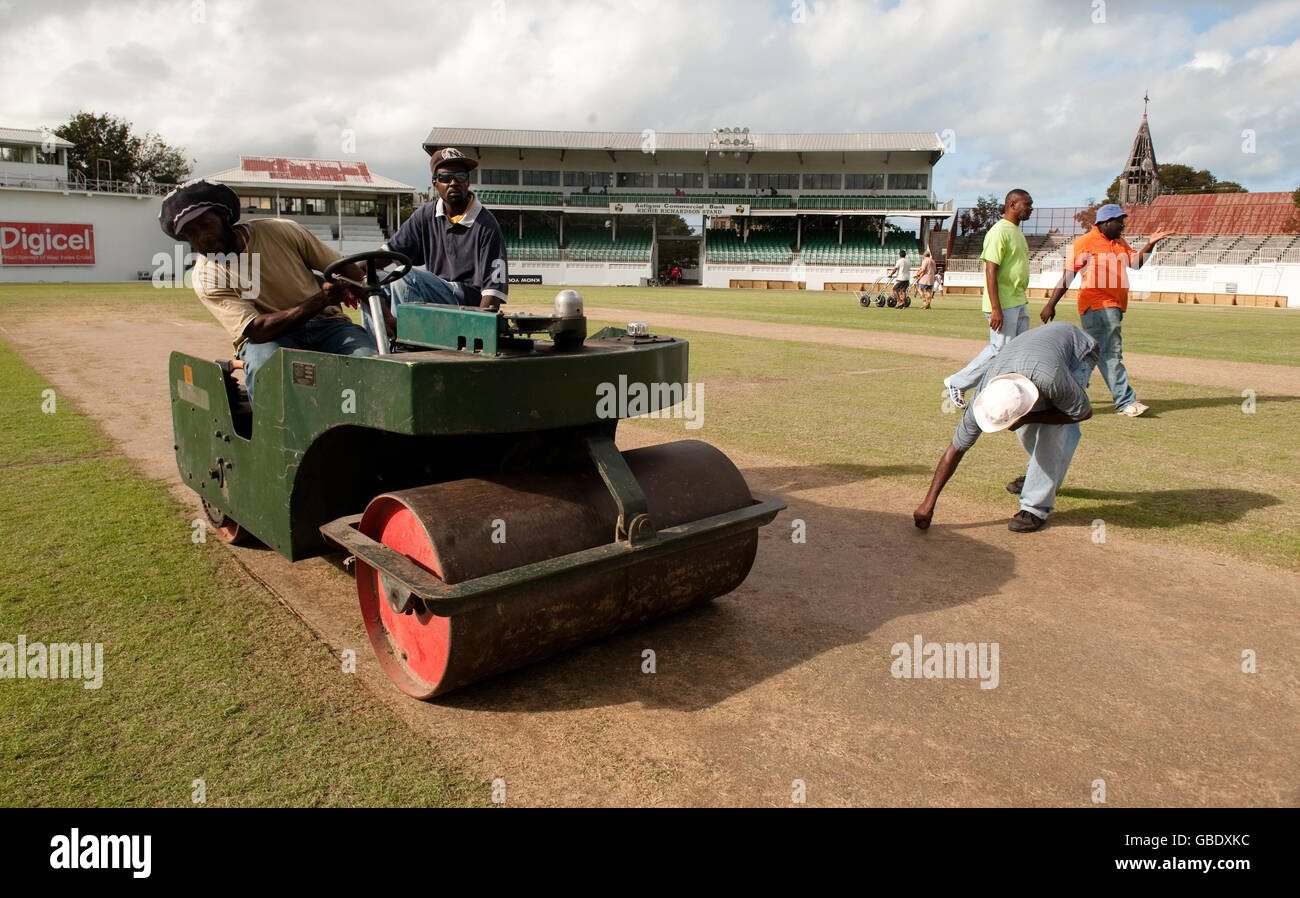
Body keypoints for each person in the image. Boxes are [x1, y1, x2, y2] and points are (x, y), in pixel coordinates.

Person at [160, 179, 376, 405]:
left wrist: (385, 315)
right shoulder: (205, 276)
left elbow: (347, 269)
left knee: (368, 362)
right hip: (270, 338)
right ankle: (276, 436)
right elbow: (256, 330)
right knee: (266, 367)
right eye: (191, 233)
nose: (202, 237)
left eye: (205, 224)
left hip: (330, 326)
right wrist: (320, 300)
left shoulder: (281, 231)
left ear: (224, 215)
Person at [914, 322, 1099, 533]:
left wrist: (1028, 418)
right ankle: (1039, 478)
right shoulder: (984, 397)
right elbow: (954, 450)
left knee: (1054, 432)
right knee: (1027, 431)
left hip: (1078, 350)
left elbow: (1082, 413)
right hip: (1034, 355)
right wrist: (928, 504)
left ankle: (1035, 508)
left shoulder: (1052, 379)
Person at [363, 147, 509, 341]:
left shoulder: (486, 225)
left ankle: (407, 345)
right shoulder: (425, 215)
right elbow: (386, 255)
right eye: (446, 177)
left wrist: (477, 330)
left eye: (460, 176)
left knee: (406, 277)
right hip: (435, 294)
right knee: (369, 282)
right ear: (435, 183)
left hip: (466, 302)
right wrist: (353, 272)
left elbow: (493, 291)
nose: (454, 182)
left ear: (468, 181)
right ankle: (376, 349)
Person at [1041, 204, 1173, 418]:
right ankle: (1124, 401)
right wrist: (1051, 304)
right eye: (1119, 221)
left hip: (1116, 306)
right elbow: (1068, 275)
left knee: (1090, 355)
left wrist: (1150, 244)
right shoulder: (1084, 243)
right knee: (1111, 353)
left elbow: (1136, 263)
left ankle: (1063, 396)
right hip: (1098, 306)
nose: (1123, 225)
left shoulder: (1119, 242)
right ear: (1105, 222)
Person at [942, 189, 1034, 410]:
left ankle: (1013, 396)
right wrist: (996, 308)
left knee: (1020, 352)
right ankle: (957, 382)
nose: (1030, 208)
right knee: (999, 349)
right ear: (1012, 204)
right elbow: (990, 270)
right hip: (1003, 304)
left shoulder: (1016, 232)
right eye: (1027, 204)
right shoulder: (999, 231)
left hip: (1018, 301)